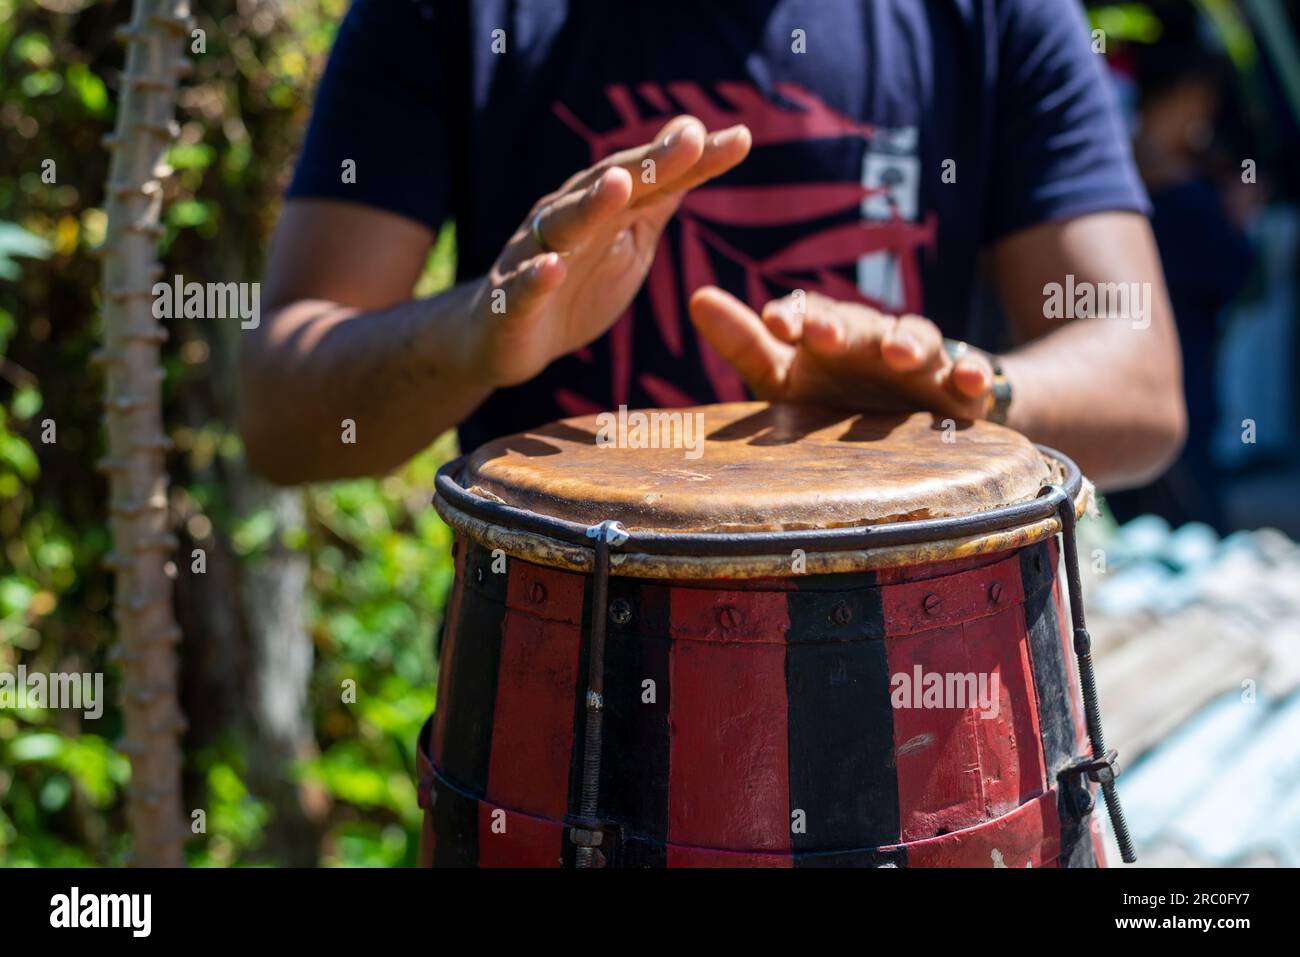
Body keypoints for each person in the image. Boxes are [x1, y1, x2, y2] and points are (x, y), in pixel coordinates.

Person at [241, 0, 1186, 490]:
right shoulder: (446, 16)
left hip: (911, 724)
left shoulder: (994, 14)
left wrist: (960, 396)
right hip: (548, 739)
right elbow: (281, 420)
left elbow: (1140, 384)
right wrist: (479, 329)